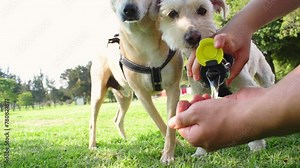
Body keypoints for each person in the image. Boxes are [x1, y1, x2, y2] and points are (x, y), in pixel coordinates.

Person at [168, 0, 300, 152]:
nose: (190, 31)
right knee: (200, 97)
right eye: (173, 14)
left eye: (202, 11)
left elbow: (253, 88)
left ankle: (260, 139)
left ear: (217, 7)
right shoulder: (191, 65)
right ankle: (201, 149)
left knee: (269, 84)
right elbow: (199, 98)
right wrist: (245, 23)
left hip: (252, 57)